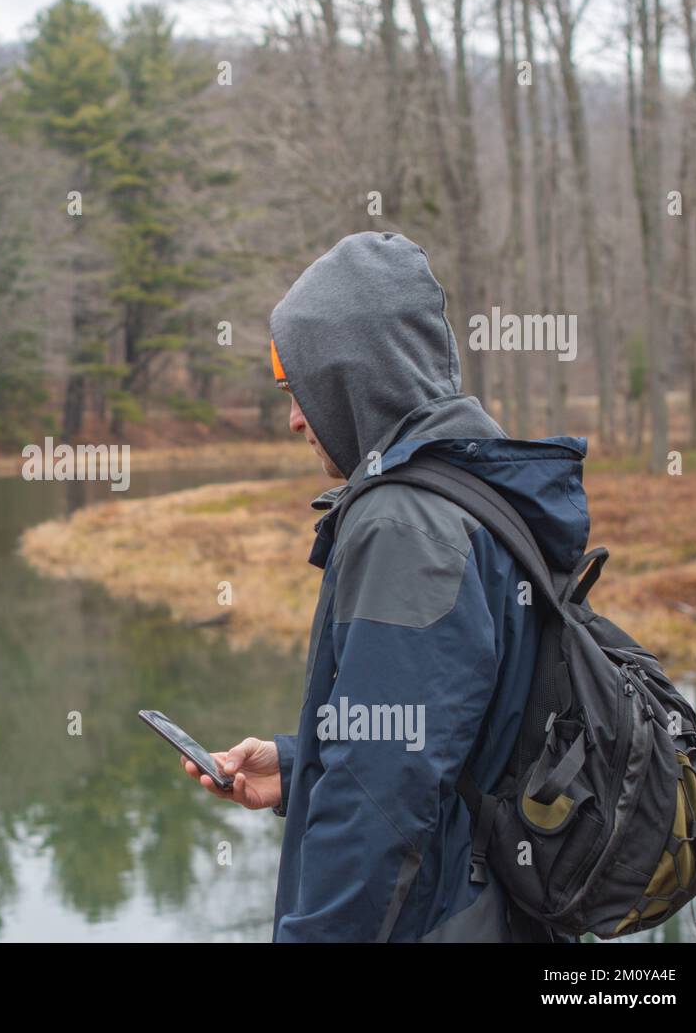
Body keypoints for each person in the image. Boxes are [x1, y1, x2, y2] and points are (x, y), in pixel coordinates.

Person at [182, 231, 587, 942]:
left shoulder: (406, 524)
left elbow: (382, 801)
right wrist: (302, 760)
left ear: (354, 376)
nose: (295, 418)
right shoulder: (470, 485)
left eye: (302, 390)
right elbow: (447, 732)